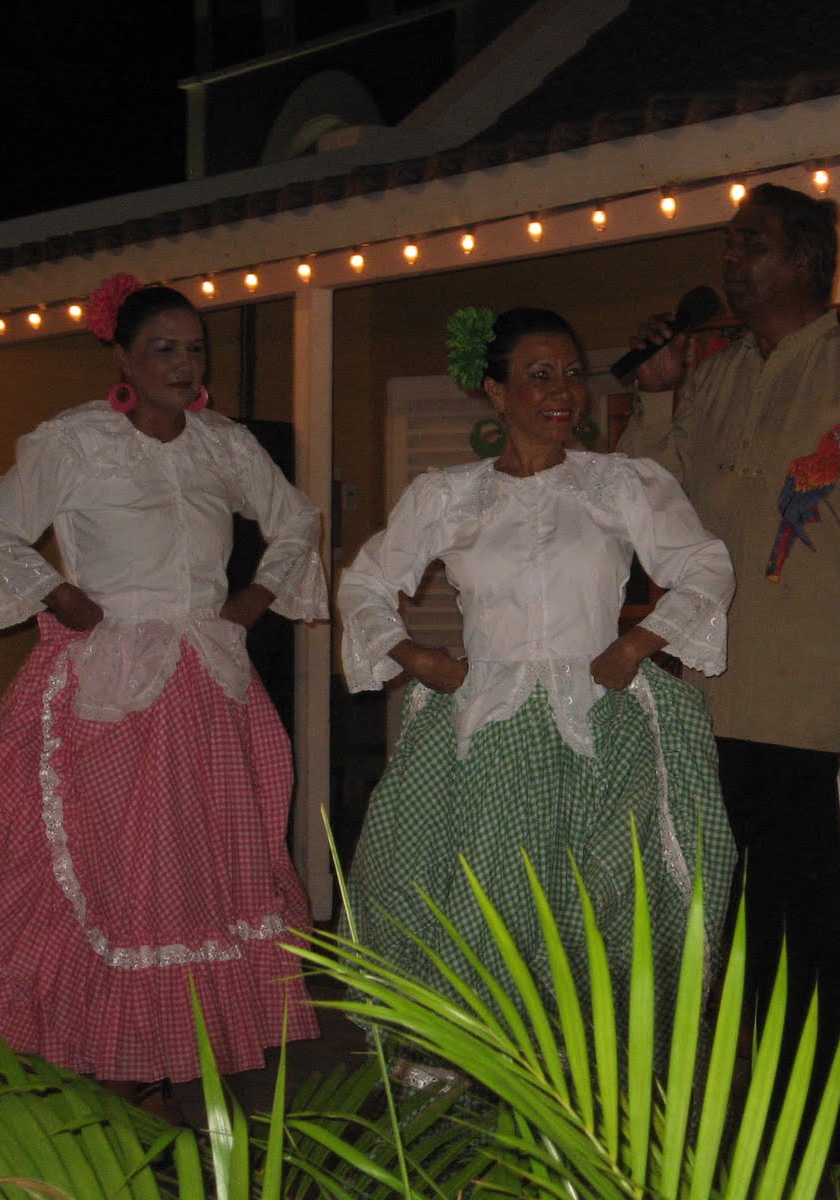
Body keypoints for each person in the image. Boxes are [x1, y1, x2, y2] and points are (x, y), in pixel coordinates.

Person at [0, 274, 326, 1116]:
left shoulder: (224, 445)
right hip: (109, 687)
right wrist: (59, 594)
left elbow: (296, 520)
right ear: (123, 354)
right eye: (164, 348)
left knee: (202, 882)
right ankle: (114, 1072)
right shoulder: (76, 442)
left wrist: (252, 602)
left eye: (194, 350)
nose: (183, 365)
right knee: (122, 882)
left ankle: (182, 1062)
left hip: (207, 680)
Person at [616, 184, 840, 1160]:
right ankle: (761, 1114)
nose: (728, 263)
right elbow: (645, 501)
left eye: (747, 245)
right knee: (735, 934)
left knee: (829, 936)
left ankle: (834, 1133)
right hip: (712, 705)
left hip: (825, 706)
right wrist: (658, 388)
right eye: (727, 246)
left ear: (800, 258)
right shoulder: (710, 379)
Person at [337, 306, 738, 1058]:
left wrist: (638, 643)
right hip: (484, 729)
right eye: (539, 376)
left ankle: (587, 1095)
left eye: (571, 375)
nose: (562, 392)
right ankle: (477, 1088)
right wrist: (419, 658)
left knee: (607, 913)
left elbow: (706, 565)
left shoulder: (620, 485)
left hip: (602, 726)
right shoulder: (448, 496)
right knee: (480, 909)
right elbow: (364, 586)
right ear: (496, 391)